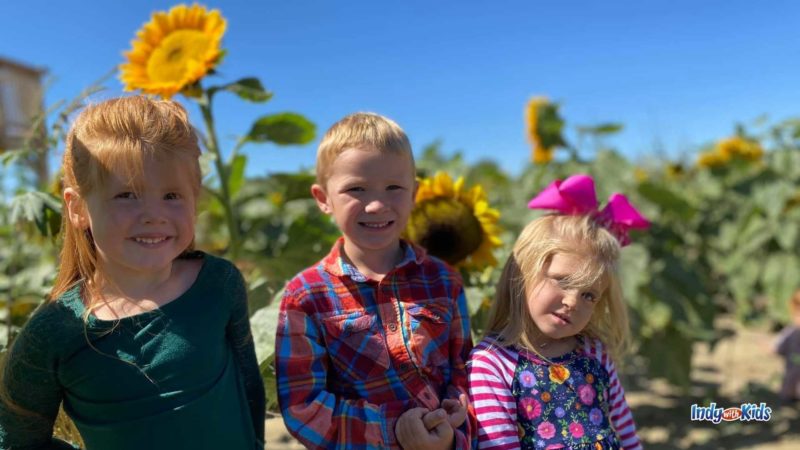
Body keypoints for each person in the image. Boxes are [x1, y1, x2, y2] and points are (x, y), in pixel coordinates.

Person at [0, 96, 265, 449]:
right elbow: (17, 440)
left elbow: (248, 387)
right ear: (78, 208)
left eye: (172, 195)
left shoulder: (219, 283)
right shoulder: (54, 333)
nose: (154, 214)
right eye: (127, 195)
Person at [275, 112, 474, 449]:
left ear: (414, 193)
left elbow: (464, 369)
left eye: (394, 188)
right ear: (323, 199)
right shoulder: (307, 295)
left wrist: (455, 415)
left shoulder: (443, 280)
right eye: (357, 189)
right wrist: (394, 430)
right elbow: (303, 406)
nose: (377, 205)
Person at [469, 174, 646, 450]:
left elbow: (628, 437)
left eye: (588, 295)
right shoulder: (493, 364)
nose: (573, 302)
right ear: (522, 273)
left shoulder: (594, 353)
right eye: (562, 281)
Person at [775, 290, 800, 403]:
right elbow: (778, 347)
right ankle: (787, 398)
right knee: (790, 380)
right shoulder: (790, 332)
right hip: (792, 367)